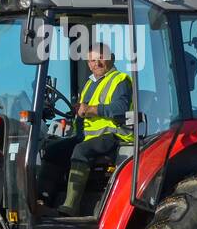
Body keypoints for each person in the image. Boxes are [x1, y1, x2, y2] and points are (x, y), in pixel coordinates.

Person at [40, 43, 133, 216]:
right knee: (53, 150)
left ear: (110, 58)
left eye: (100, 58)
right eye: (91, 60)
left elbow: (121, 108)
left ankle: (70, 207)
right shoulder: (90, 83)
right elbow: (84, 111)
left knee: (80, 150)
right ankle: (42, 201)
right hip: (87, 136)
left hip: (113, 135)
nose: (96, 63)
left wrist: (91, 109)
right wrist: (76, 112)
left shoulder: (120, 80)